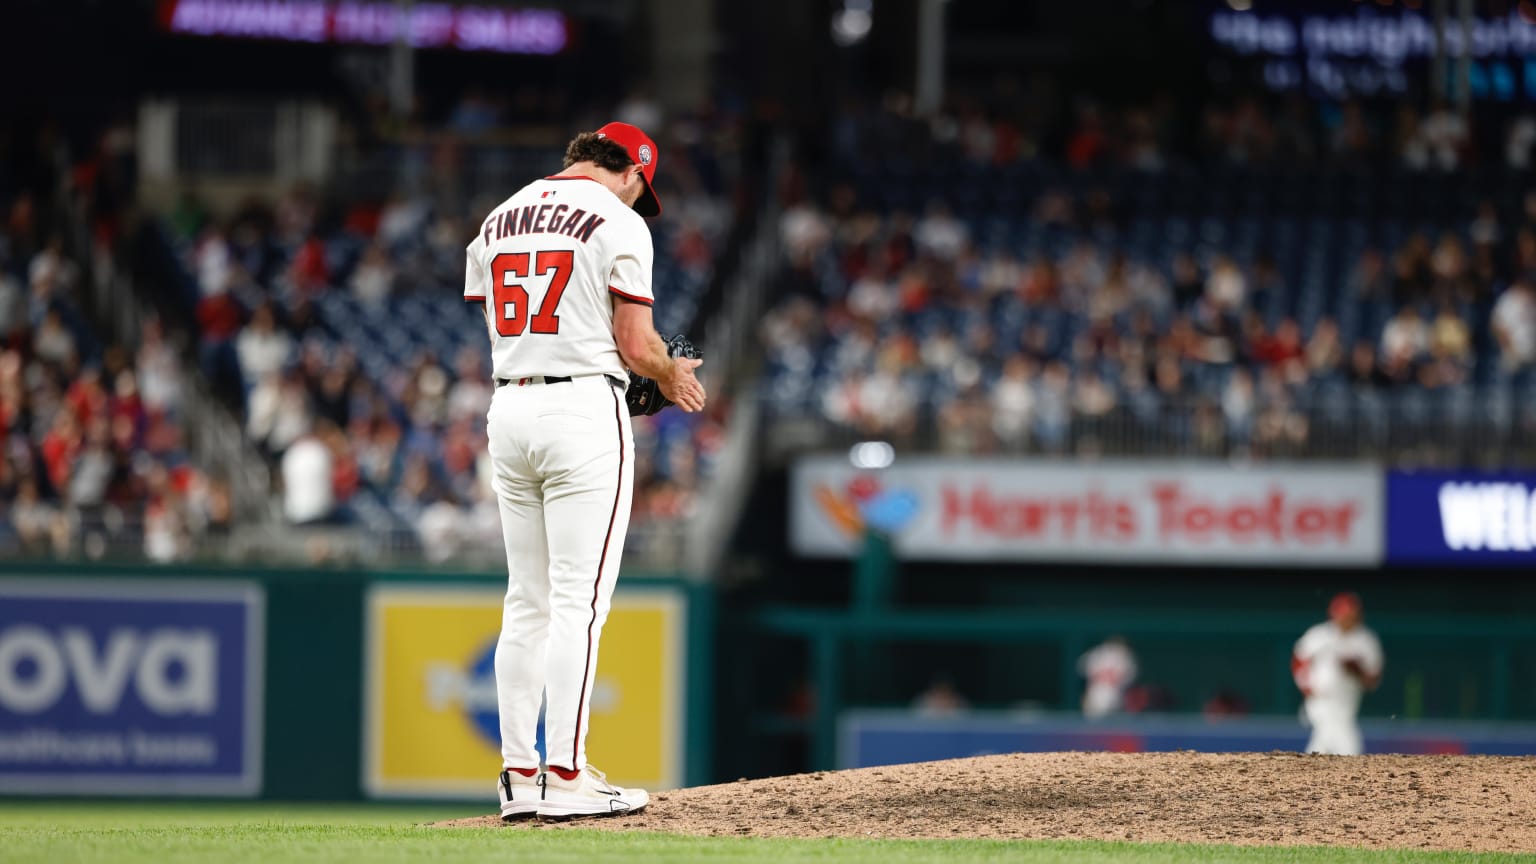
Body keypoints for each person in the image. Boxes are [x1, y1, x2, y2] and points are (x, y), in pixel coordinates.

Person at [465, 122, 706, 821]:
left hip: (509, 405)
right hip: (580, 410)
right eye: (643, 185)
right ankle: (566, 776)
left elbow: (513, 326)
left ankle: (518, 776)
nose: (641, 197)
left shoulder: (499, 216)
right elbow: (634, 346)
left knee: (527, 601)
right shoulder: (618, 220)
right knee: (579, 604)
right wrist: (670, 371)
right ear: (631, 170)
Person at [1292, 592, 1383, 756]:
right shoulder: (1319, 635)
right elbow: (1298, 660)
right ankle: (1352, 766)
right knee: (1346, 739)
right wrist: (1305, 686)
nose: (1347, 619)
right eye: (1344, 614)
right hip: (1320, 696)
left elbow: (1372, 679)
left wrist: (1356, 669)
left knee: (1325, 737)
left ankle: (1309, 767)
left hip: (1347, 700)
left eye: (1351, 614)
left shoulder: (1366, 640)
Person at [1078, 635, 1137, 719]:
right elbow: (1081, 668)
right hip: (1095, 697)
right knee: (1094, 725)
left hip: (1116, 699)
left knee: (1112, 725)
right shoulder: (1097, 654)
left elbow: (1130, 677)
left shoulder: (1125, 658)